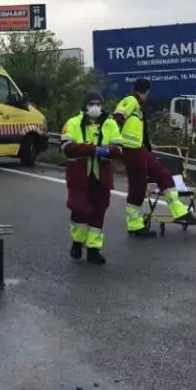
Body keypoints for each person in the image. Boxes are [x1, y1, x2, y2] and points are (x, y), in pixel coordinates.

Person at [113, 78, 196, 236]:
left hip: (141, 150)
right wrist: (115, 143)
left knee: (162, 173)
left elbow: (140, 131)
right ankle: (134, 225)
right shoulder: (130, 100)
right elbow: (116, 118)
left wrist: (149, 146)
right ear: (147, 91)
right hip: (130, 151)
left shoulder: (138, 107)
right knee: (137, 187)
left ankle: (178, 211)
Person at [62, 92, 123, 264]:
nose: (95, 107)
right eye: (91, 103)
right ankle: (77, 242)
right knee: (80, 209)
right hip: (79, 175)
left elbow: (119, 149)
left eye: (98, 103)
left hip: (101, 176)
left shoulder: (110, 124)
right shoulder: (72, 123)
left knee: (99, 211)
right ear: (85, 105)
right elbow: (67, 147)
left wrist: (107, 150)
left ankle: (93, 249)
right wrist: (91, 149)